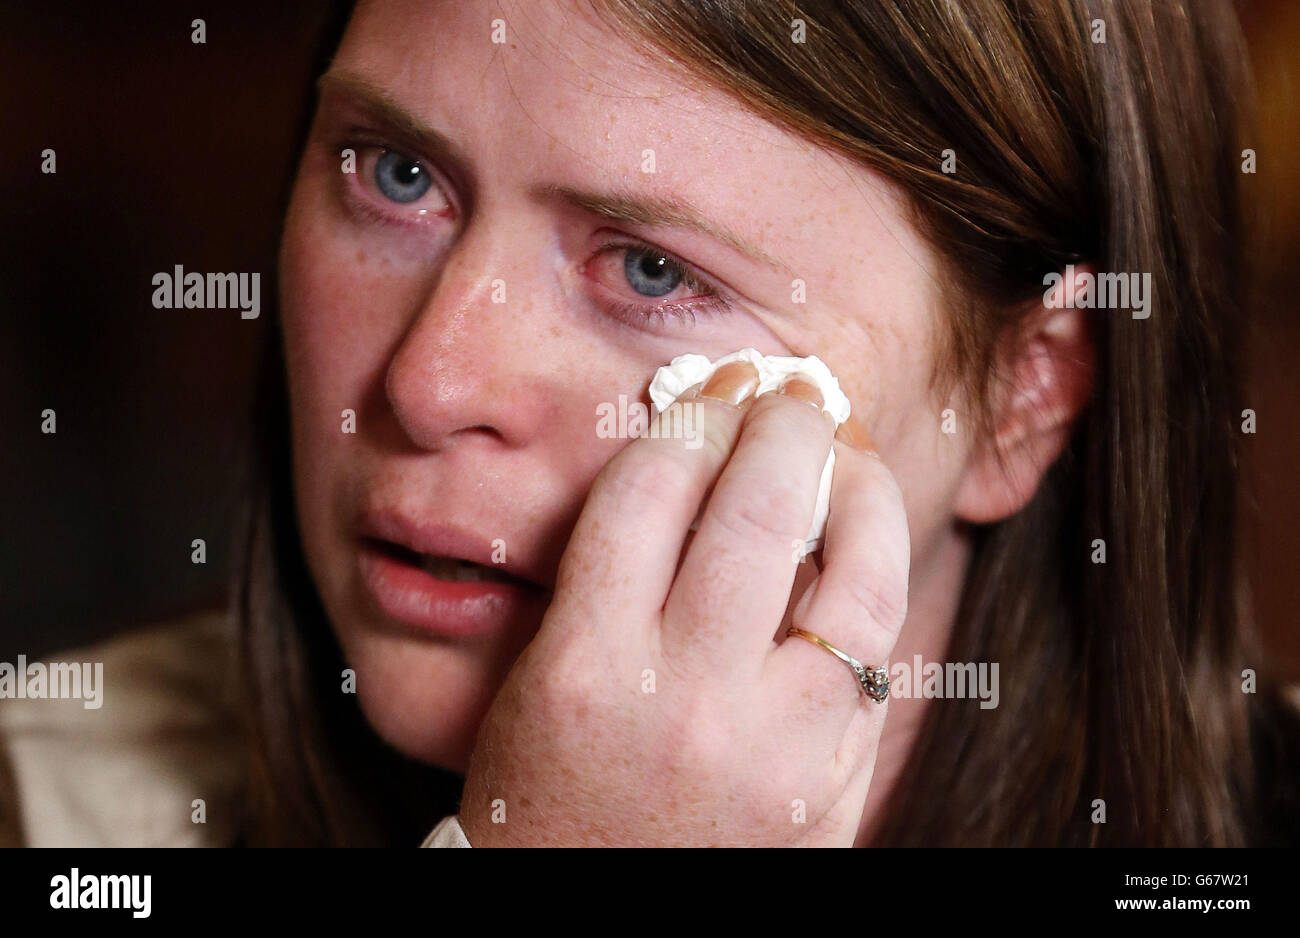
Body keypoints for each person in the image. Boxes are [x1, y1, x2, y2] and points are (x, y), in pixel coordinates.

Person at [3, 0, 1297, 847]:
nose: (428, 381)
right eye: (398, 177)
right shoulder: (62, 806)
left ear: (1021, 397)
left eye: (653, 271)